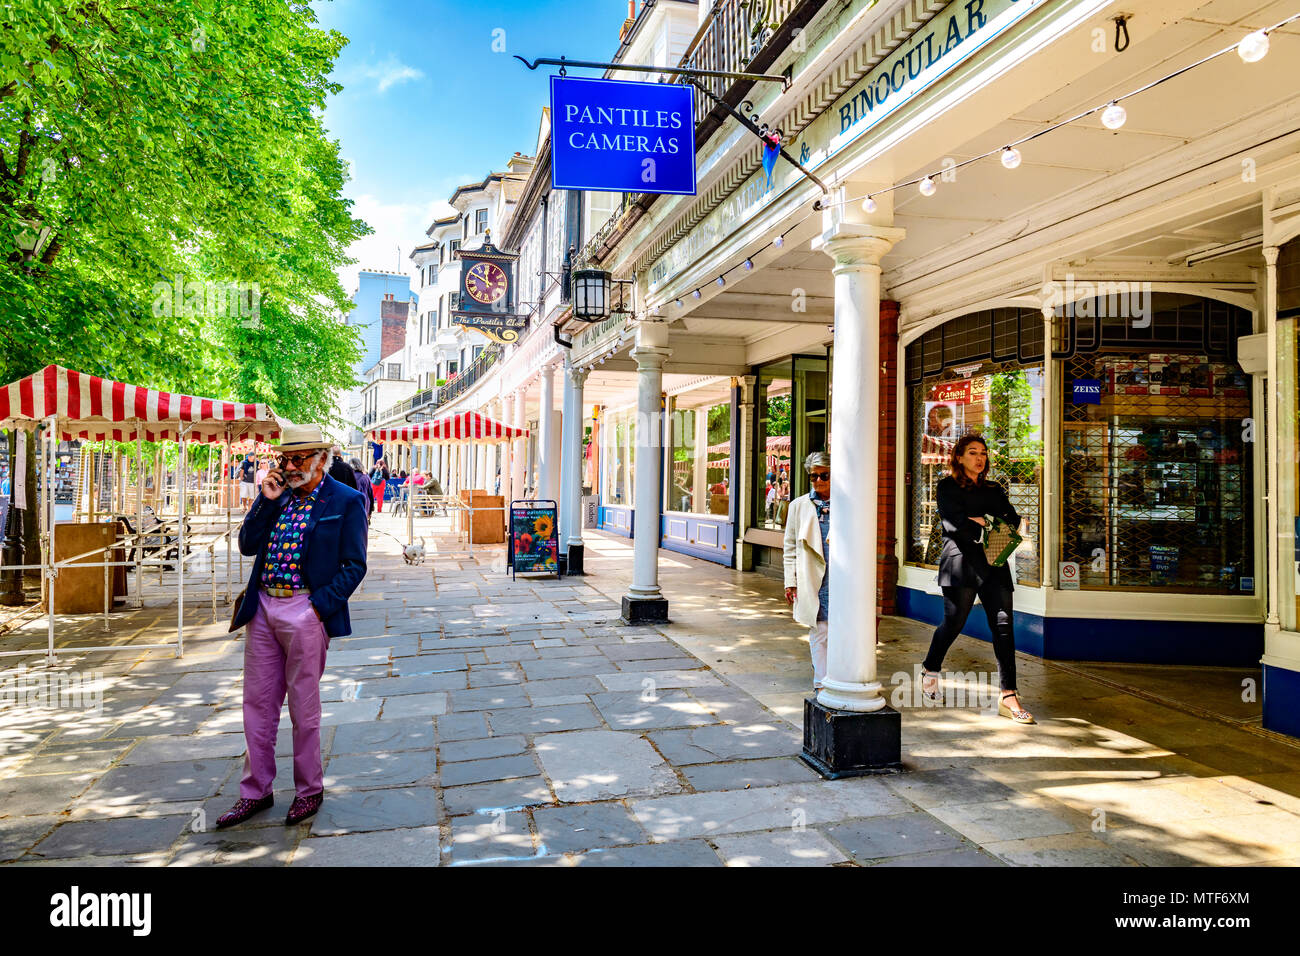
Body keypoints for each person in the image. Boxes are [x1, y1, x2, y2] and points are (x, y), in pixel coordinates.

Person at [216, 424, 368, 828]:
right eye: (286, 458)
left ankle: (309, 790)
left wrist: (317, 609)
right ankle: (256, 791)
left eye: (299, 458)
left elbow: (355, 566)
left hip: (305, 607)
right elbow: (247, 544)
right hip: (263, 605)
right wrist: (264, 502)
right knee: (258, 705)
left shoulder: (346, 500)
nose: (290, 465)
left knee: (304, 707)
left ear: (322, 458)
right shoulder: (276, 496)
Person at [921, 434, 1034, 724]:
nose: (979, 458)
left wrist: (985, 522)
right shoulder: (946, 486)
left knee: (1004, 626)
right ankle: (930, 669)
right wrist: (986, 525)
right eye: (972, 452)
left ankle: (1008, 695)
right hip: (960, 565)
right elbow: (953, 524)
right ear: (959, 457)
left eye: (983, 453)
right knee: (954, 622)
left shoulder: (995, 489)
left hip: (994, 564)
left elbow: (1013, 520)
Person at [783, 451, 831, 692]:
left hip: (841, 578)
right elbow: (789, 546)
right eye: (813, 477)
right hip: (812, 577)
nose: (818, 481)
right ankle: (821, 683)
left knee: (842, 630)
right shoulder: (799, 506)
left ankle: (839, 677)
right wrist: (790, 581)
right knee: (820, 629)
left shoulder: (847, 504)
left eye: (824, 475)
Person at [350, 458, 374, 524]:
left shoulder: (350, 477)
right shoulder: (366, 477)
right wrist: (371, 510)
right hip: (365, 503)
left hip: (353, 504)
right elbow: (371, 494)